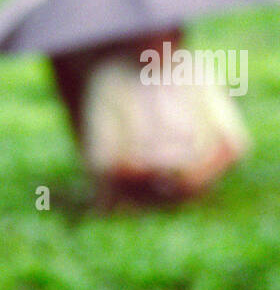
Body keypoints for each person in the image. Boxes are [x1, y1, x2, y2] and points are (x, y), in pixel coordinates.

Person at [49, 28, 249, 205]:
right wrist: (155, 177)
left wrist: (195, 177)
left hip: (194, 182)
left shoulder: (195, 71)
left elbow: (231, 140)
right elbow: (104, 158)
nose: (153, 46)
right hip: (133, 192)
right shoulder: (111, 78)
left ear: (176, 38)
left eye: (161, 38)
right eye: (145, 38)